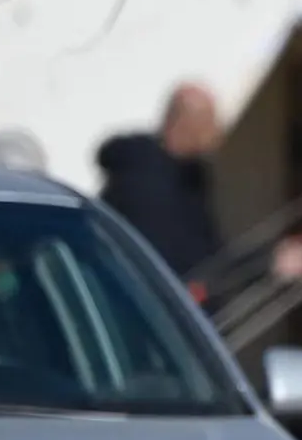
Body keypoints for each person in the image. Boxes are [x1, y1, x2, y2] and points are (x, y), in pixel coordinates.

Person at [95, 83, 222, 301]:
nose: (217, 130)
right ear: (184, 123)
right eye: (208, 120)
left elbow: (212, 251)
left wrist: (266, 262)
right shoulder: (140, 178)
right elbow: (173, 261)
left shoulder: (193, 175)